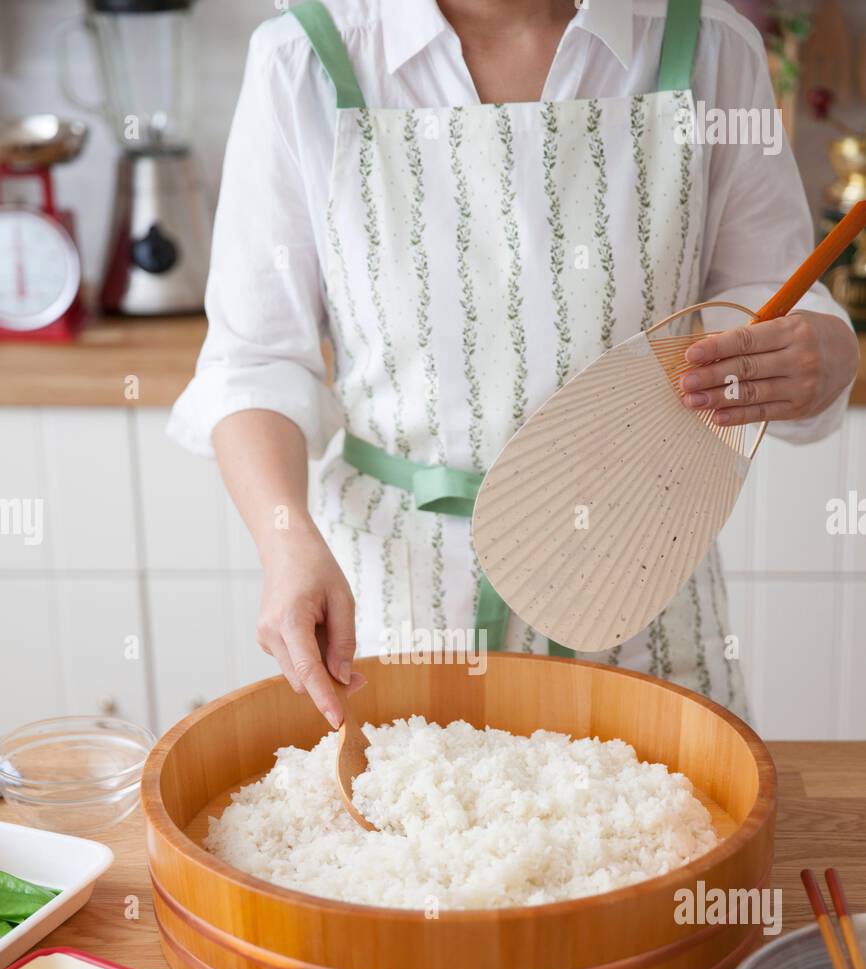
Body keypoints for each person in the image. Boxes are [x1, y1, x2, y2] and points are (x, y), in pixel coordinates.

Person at [169, 0, 859, 728]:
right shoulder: (303, 58)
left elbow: (771, 293)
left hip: (643, 585)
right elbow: (254, 359)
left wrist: (828, 352)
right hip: (397, 603)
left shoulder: (711, 45)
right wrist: (286, 547)